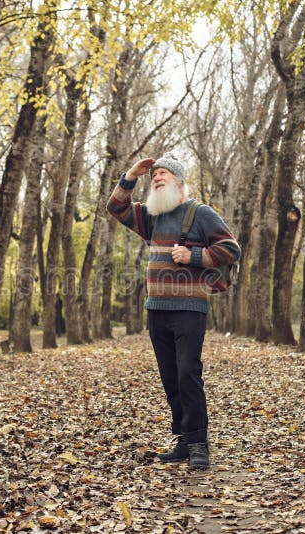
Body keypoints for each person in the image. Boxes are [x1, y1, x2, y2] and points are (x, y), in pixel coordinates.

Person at [106, 152, 241, 469]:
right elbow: (116, 208)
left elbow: (231, 250)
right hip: (157, 310)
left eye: (163, 173)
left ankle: (198, 444)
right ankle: (182, 440)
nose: (156, 177)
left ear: (178, 180)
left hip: (189, 309)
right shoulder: (152, 216)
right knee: (170, 378)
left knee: (187, 374)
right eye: (154, 175)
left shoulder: (200, 214)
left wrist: (194, 257)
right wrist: (131, 175)